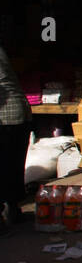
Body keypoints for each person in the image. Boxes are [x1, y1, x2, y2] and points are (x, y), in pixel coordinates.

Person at [0, 45, 33, 231]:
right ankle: (14, 210)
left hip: (6, 117)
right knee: (13, 165)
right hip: (19, 114)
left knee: (4, 165)